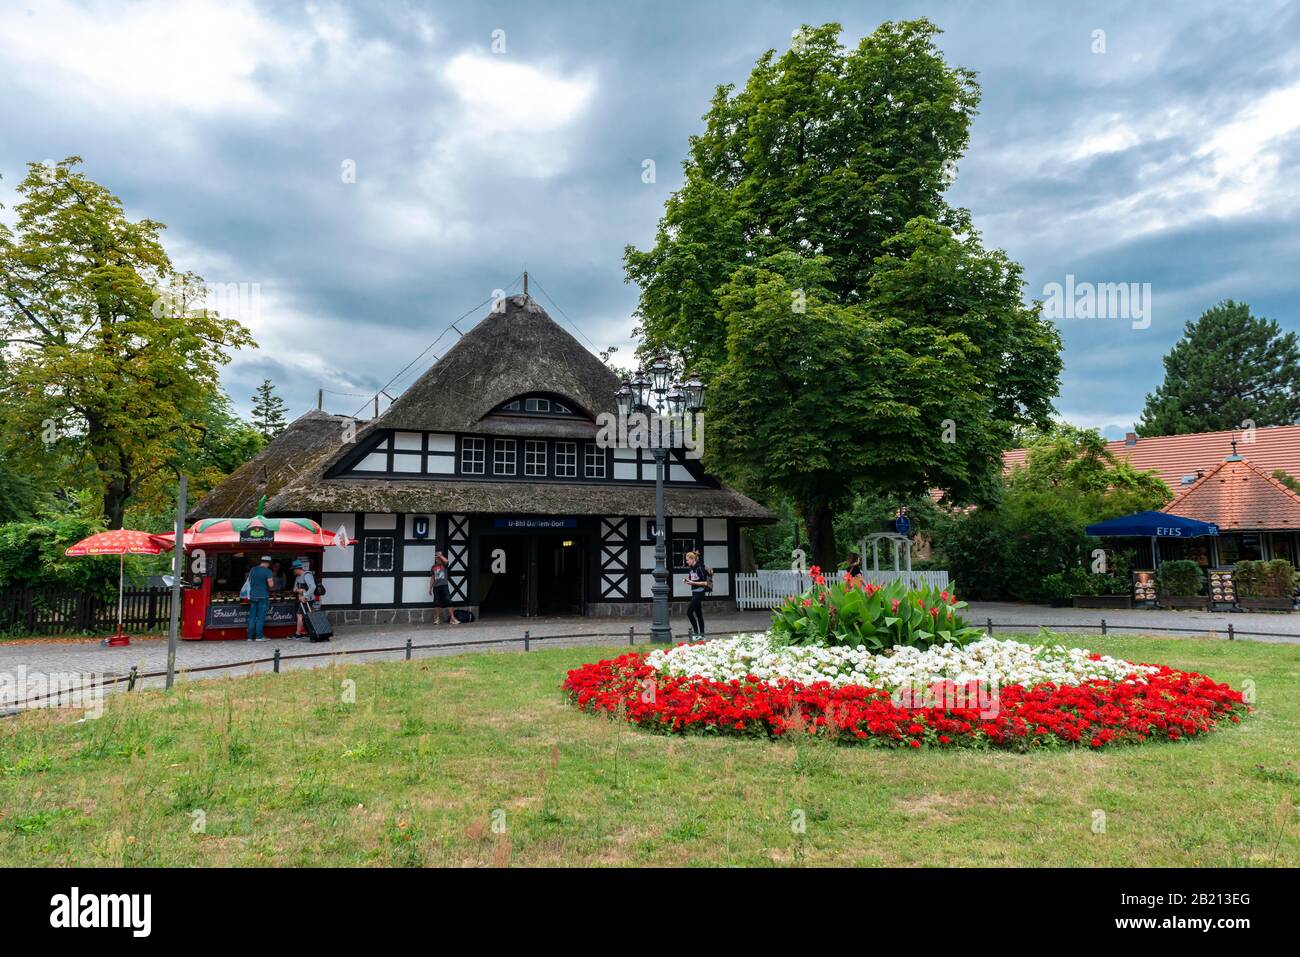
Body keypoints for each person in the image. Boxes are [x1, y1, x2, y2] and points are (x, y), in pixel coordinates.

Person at [246, 556, 275, 642]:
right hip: (263, 596)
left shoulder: (253, 569)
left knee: (252, 617)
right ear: (268, 563)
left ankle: (250, 637)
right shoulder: (268, 571)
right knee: (260, 617)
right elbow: (271, 585)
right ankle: (259, 636)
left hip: (252, 596)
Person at [683, 550, 712, 637]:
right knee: (698, 614)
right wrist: (688, 581)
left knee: (689, 612)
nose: (686, 562)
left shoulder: (699, 568)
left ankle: (696, 633)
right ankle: (701, 635)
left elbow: (705, 583)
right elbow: (693, 580)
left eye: (687, 560)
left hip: (700, 592)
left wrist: (692, 583)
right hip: (694, 592)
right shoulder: (691, 569)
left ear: (692, 559)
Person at [291, 560, 318, 639]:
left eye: (293, 569)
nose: (293, 571)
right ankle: (308, 632)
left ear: (297, 569)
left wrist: (305, 596)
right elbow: (294, 589)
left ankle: (298, 634)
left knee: (299, 615)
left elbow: (313, 587)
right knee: (306, 615)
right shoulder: (297, 577)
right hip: (301, 599)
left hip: (307, 599)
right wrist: (300, 590)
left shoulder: (307, 575)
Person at [428, 551, 456, 625]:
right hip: (436, 587)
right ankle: (437, 619)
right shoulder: (433, 567)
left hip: (444, 586)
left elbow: (447, 561)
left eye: (438, 557)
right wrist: (430, 588)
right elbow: (432, 578)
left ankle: (452, 618)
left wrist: (440, 555)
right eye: (436, 557)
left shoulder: (444, 565)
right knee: (437, 603)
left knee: (448, 601)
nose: (436, 558)